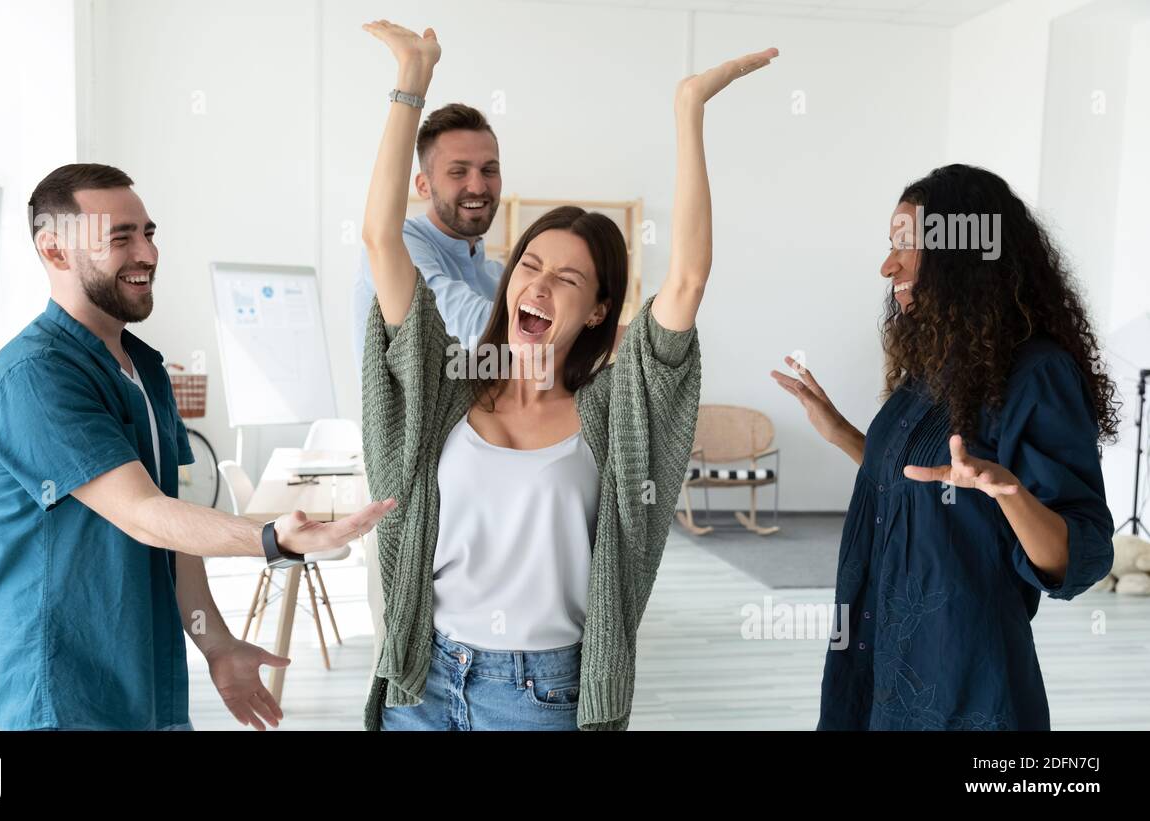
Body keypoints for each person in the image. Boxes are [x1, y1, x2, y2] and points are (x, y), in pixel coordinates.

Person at [358, 19, 776, 730]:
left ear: (598, 310)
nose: (539, 287)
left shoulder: (616, 409)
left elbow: (690, 277)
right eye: (529, 266)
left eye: (568, 278)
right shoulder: (444, 387)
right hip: (426, 680)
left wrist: (689, 110)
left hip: (541, 694)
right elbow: (379, 238)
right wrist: (411, 84)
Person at [0, 163, 394, 730]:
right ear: (56, 252)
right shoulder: (34, 378)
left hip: (143, 680)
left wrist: (216, 644)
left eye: (148, 233)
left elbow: (173, 530)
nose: (147, 253)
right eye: (121, 238)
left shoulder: (145, 366)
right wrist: (269, 538)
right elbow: (143, 516)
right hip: (59, 693)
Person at [770, 164, 1117, 730]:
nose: (888, 266)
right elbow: (920, 487)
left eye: (907, 245)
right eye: (891, 245)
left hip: (961, 684)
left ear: (967, 252)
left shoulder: (1037, 374)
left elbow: (1081, 558)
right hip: (875, 656)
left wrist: (1007, 492)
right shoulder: (935, 368)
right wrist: (843, 434)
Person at [351, 101, 503, 361]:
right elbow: (455, 323)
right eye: (458, 172)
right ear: (423, 186)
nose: (478, 186)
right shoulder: (399, 246)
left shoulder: (500, 278)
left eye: (489, 170)